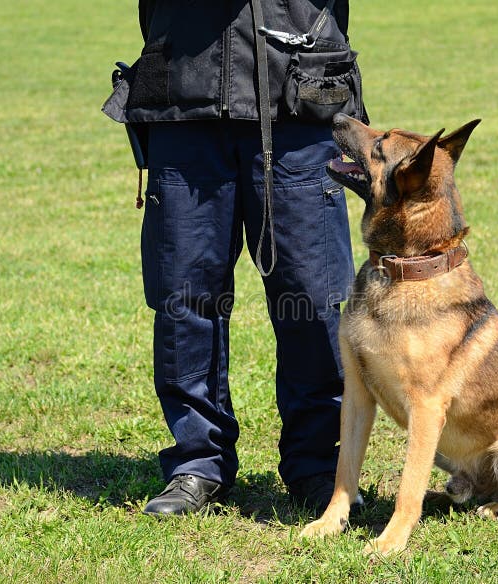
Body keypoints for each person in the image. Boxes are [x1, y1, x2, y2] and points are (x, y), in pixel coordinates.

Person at [108, 0, 368, 515]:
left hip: (299, 101)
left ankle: (317, 466)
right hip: (184, 98)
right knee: (184, 298)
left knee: (311, 297)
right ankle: (197, 463)